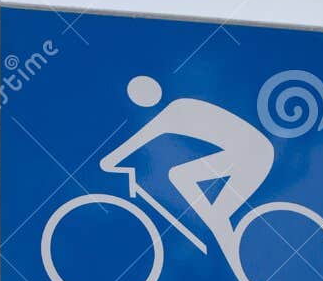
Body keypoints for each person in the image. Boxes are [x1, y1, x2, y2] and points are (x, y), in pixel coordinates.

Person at [99, 75, 274, 256]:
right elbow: (138, 140)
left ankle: (227, 251)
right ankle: (222, 244)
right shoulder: (176, 108)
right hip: (253, 152)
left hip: (253, 155)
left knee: (184, 180)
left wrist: (108, 163)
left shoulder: (173, 111)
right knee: (213, 212)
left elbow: (137, 141)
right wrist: (110, 162)